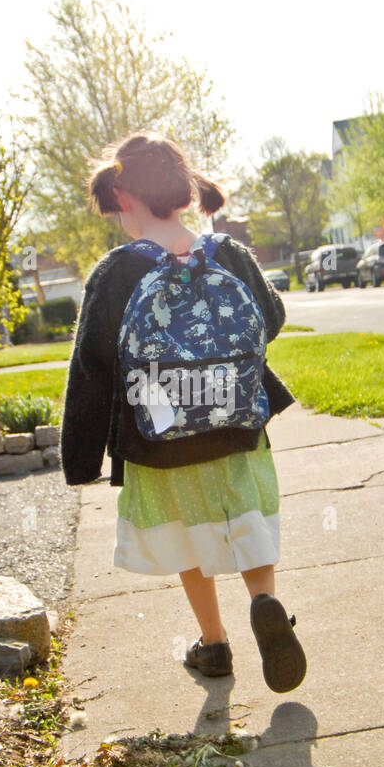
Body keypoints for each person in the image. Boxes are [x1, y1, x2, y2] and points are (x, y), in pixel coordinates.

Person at [60, 131, 306, 693]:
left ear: (124, 197)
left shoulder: (116, 271)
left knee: (186, 533)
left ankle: (214, 644)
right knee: (244, 519)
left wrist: (81, 458)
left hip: (160, 434)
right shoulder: (230, 254)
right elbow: (270, 318)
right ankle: (265, 602)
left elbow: (91, 371)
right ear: (184, 189)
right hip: (236, 424)